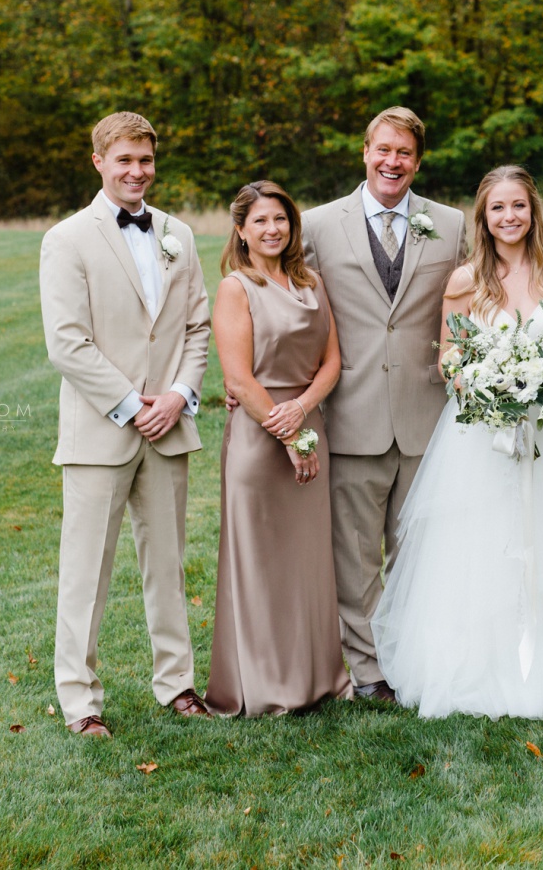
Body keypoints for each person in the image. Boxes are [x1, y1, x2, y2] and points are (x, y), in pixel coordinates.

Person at [373, 167, 543, 719]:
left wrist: (542, 382)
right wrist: (483, 384)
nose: (508, 217)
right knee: (480, 545)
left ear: (533, 212)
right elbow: (447, 356)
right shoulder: (466, 281)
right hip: (480, 435)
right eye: (497, 209)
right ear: (483, 219)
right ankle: (477, 664)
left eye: (518, 206)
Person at [39, 112, 213, 737]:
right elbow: (67, 343)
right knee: (87, 571)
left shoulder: (179, 235)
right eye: (124, 162)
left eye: (145, 161)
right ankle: (81, 701)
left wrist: (179, 394)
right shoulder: (67, 239)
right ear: (99, 163)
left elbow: (196, 327)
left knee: (167, 564)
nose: (136, 172)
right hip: (101, 432)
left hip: (169, 425)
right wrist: (131, 403)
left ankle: (177, 684)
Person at [300, 108, 469, 704]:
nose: (392, 162)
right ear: (365, 151)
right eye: (383, 150)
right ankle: (371, 672)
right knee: (355, 558)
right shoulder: (319, 226)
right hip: (351, 414)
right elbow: (299, 314)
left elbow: (479, 301)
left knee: (423, 555)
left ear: (418, 162)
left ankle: (419, 661)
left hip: (428, 417)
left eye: (404, 153)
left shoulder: (450, 226)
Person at [204, 182, 352, 716]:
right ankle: (264, 684)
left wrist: (305, 411)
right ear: (241, 230)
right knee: (261, 563)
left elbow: (332, 361)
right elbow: (239, 381)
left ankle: (317, 678)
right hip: (258, 438)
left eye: (281, 220)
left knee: (307, 561)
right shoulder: (235, 289)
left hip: (307, 421)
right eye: (261, 221)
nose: (272, 229)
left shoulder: (311, 280)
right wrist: (289, 433)